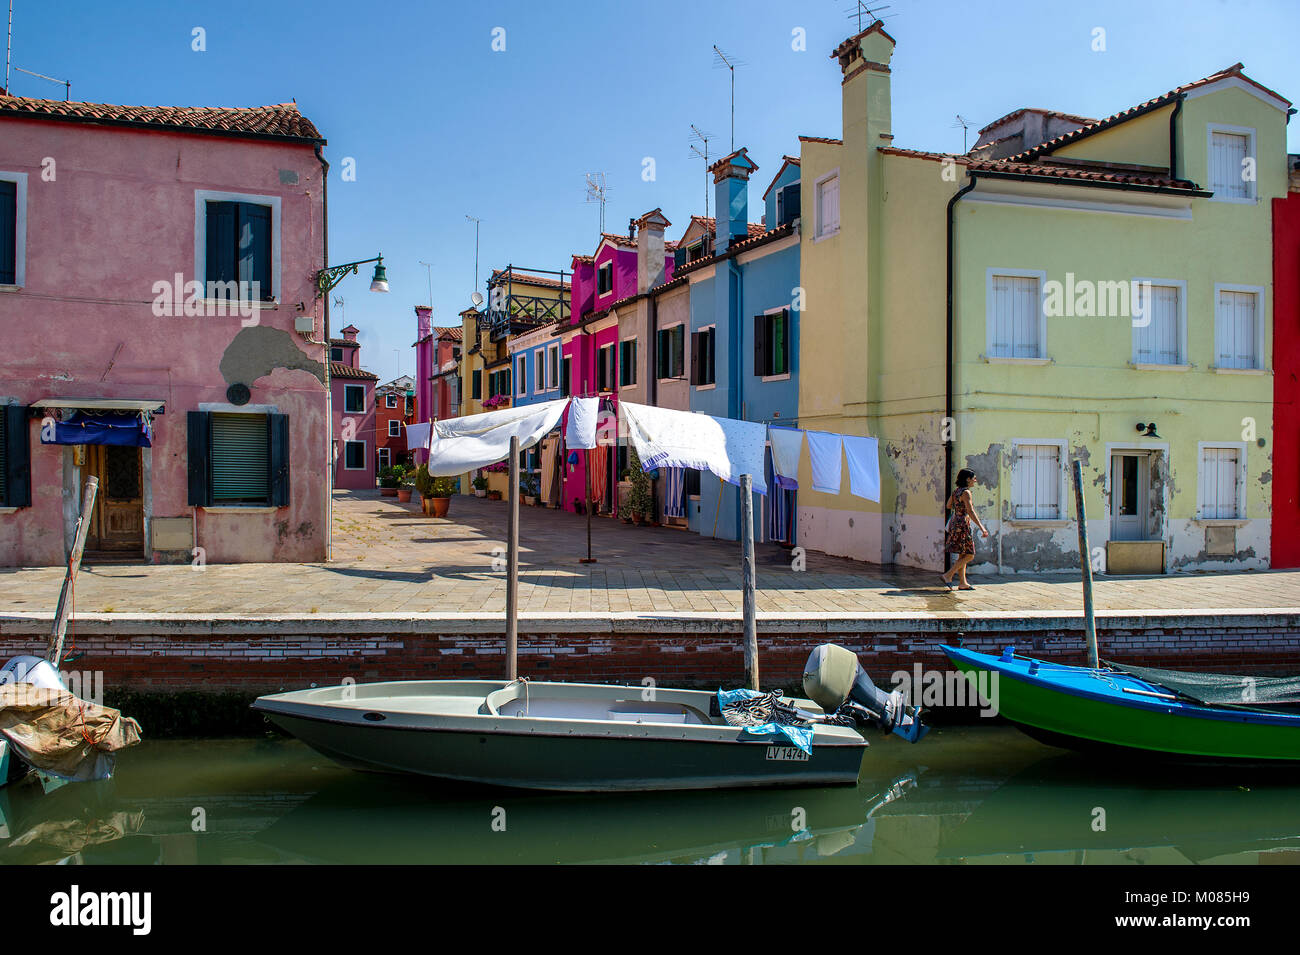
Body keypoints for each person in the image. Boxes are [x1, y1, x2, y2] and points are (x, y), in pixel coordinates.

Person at [941, 468, 988, 591]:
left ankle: (963, 583)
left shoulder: (956, 491)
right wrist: (982, 527)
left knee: (963, 554)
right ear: (968, 479)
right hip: (963, 524)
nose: (975, 481)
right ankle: (948, 575)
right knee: (970, 555)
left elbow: (948, 505)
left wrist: (958, 509)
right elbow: (970, 511)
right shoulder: (966, 492)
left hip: (956, 523)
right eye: (974, 478)